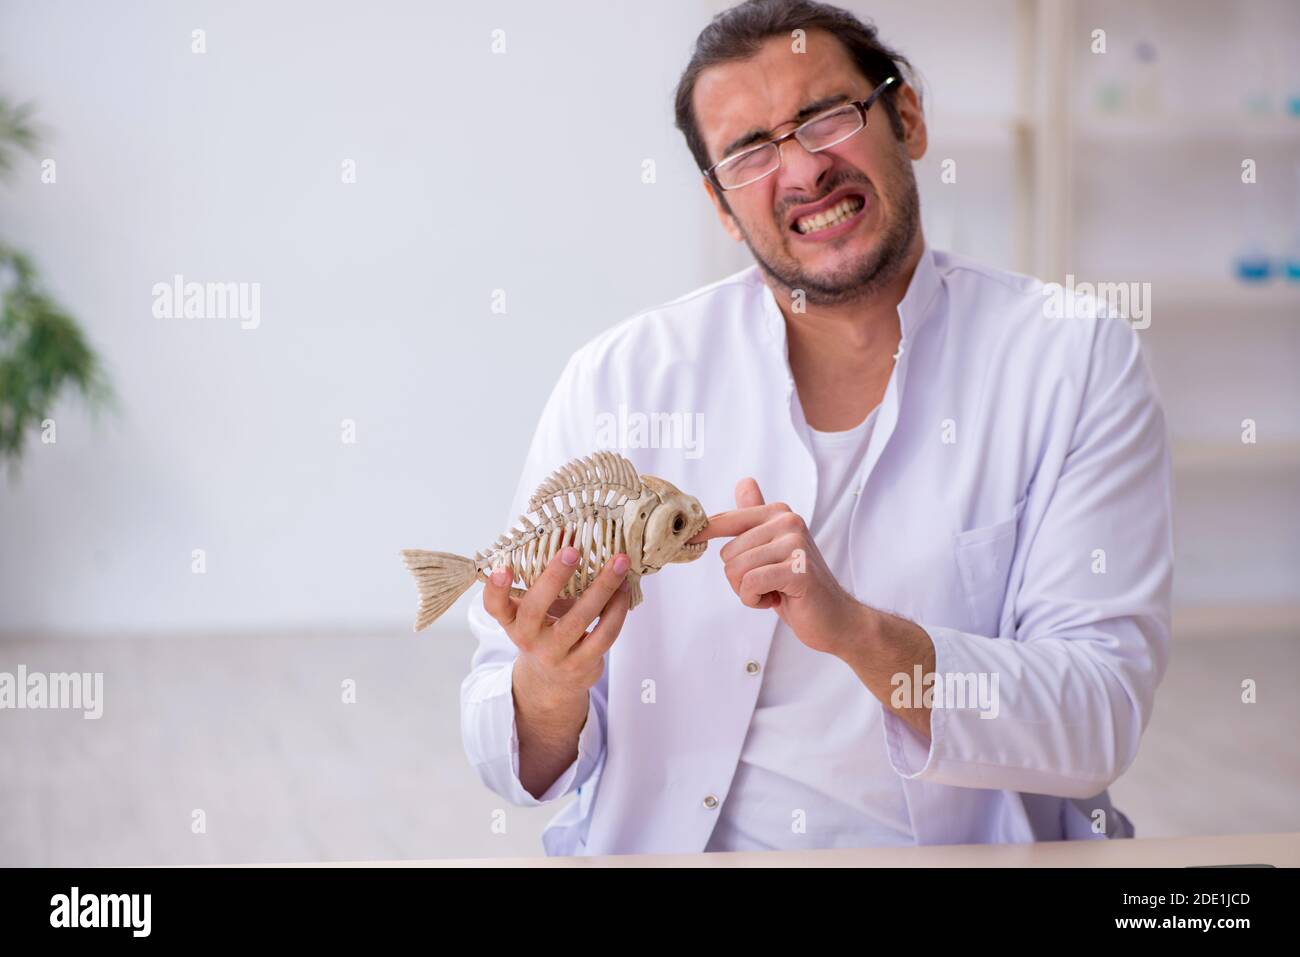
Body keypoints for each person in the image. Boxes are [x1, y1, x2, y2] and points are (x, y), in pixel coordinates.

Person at [462, 0, 1172, 856]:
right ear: (723, 204)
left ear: (905, 116)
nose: (802, 171)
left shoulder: (1072, 359)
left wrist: (856, 631)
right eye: (750, 152)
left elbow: (1098, 716)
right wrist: (551, 683)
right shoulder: (620, 379)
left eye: (826, 117)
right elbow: (508, 759)